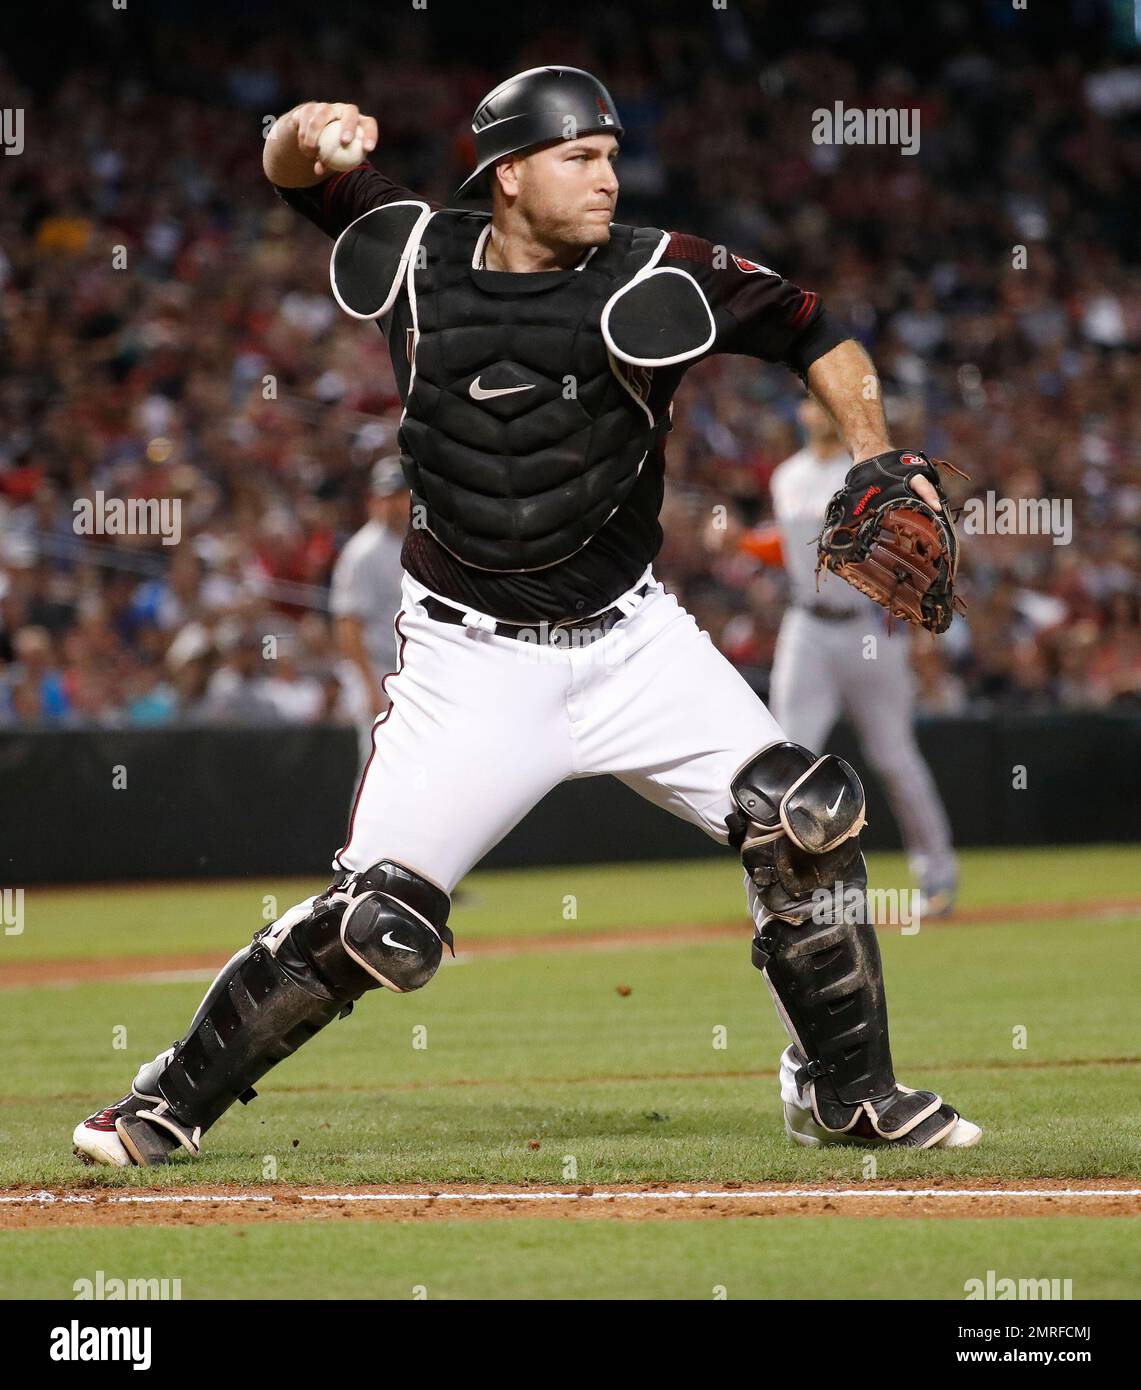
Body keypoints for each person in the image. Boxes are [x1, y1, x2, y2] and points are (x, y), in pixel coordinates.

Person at [74, 67, 979, 1167]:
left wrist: (875, 450)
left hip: (630, 640)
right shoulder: (414, 249)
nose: (608, 175)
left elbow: (811, 328)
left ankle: (848, 1092)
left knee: (805, 816)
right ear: (508, 175)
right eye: (579, 157)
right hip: (470, 661)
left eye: (609, 154)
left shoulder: (663, 272)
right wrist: (301, 132)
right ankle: (165, 1100)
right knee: (377, 926)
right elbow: (288, 175)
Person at [726, 396, 959, 916]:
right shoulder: (786, 476)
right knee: (786, 758)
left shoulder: (868, 476)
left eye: (824, 404)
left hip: (869, 628)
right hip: (806, 627)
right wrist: (743, 541)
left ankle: (938, 877)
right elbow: (794, 545)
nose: (816, 412)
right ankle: (787, 887)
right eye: (809, 404)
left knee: (895, 759)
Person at [330, 456, 409, 767]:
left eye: (400, 495)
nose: (393, 503)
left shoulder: (419, 542)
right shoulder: (362, 552)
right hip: (376, 668)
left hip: (411, 669)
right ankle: (361, 819)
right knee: (377, 764)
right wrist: (368, 687)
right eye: (387, 496)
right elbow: (348, 626)